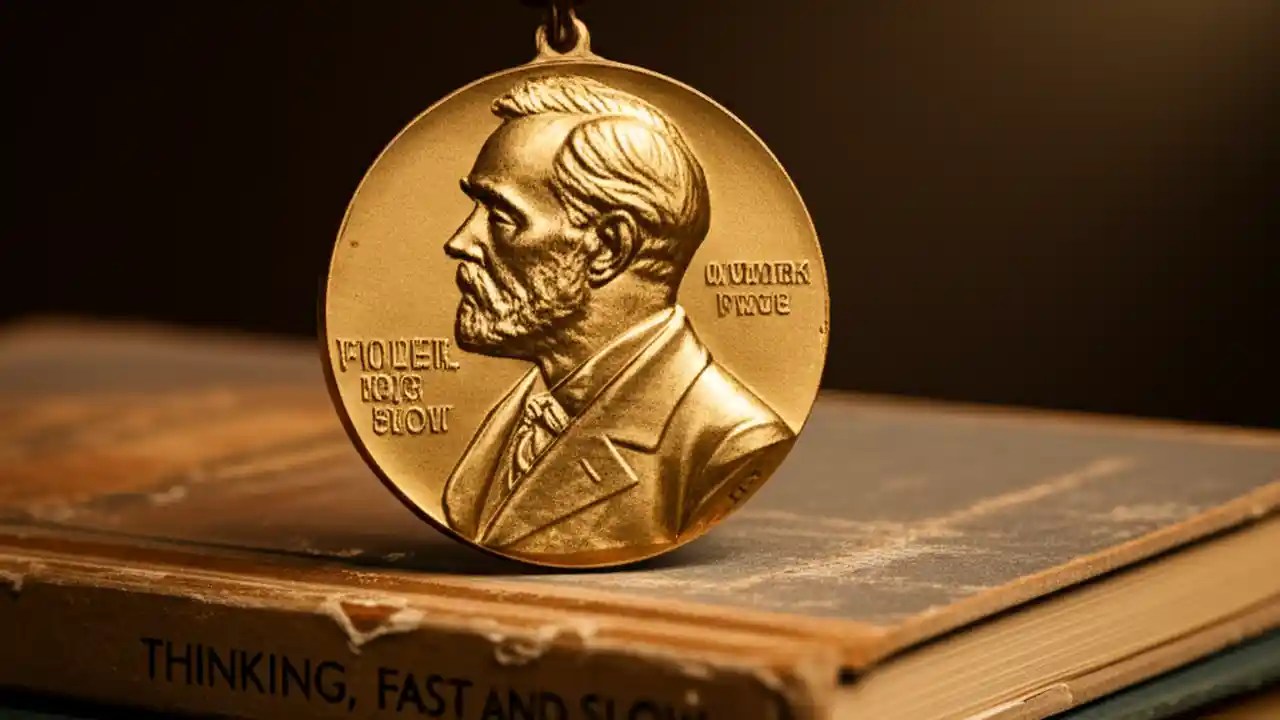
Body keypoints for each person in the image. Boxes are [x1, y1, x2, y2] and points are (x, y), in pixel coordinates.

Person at [441, 74, 793, 557]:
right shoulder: (519, 411)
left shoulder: (729, 444)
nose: (460, 242)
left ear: (608, 247)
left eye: (501, 216)